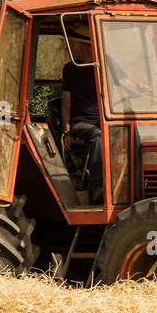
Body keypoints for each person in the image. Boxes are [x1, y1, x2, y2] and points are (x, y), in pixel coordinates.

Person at [54, 21, 103, 203]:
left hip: (106, 121)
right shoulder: (70, 69)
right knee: (97, 137)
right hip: (81, 123)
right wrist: (67, 131)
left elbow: (126, 83)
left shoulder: (103, 66)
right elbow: (66, 104)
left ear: (85, 46)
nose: (70, 48)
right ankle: (98, 188)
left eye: (73, 44)